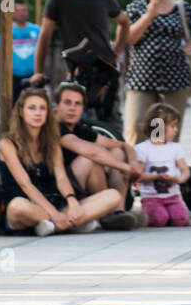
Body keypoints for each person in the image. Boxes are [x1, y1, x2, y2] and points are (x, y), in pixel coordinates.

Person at [0, 87, 120, 237]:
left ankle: (53, 225)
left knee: (113, 195)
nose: (38, 113)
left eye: (42, 108)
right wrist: (54, 213)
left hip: (54, 205)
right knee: (17, 206)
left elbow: (61, 177)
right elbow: (25, 184)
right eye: (32, 108)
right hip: (28, 207)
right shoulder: (7, 143)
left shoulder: (52, 142)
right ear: (21, 112)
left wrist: (73, 202)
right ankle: (68, 223)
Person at [30, 0, 129, 133]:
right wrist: (38, 72)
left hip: (105, 71)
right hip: (77, 72)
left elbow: (124, 22)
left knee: (111, 124)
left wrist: (118, 52)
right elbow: (44, 37)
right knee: (76, 124)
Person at [124, 0, 191, 144]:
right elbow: (129, 38)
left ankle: (164, 169)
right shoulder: (136, 7)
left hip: (175, 80)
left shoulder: (181, 8)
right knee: (137, 126)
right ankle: (138, 169)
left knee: (168, 131)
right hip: (142, 80)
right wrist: (149, 16)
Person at [52, 80, 141, 230]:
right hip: (59, 189)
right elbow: (91, 151)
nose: (72, 108)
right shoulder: (54, 128)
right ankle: (107, 214)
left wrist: (133, 163)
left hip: (78, 186)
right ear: (57, 106)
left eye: (77, 104)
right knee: (90, 160)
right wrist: (127, 168)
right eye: (67, 103)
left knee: (117, 152)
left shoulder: (80, 128)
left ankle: (118, 211)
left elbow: (123, 145)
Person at [134, 102, 190, 227]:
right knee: (159, 220)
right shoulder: (143, 149)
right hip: (152, 197)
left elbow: (185, 169)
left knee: (181, 220)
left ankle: (169, 212)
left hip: (172, 196)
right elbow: (138, 175)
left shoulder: (175, 148)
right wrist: (156, 177)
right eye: (172, 126)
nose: (176, 130)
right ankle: (147, 214)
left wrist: (179, 179)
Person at [0, 0, 40, 104]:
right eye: (18, 10)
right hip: (12, 75)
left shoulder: (36, 29)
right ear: (13, 13)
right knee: (10, 104)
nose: (22, 13)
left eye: (24, 10)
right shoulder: (6, 30)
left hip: (31, 75)